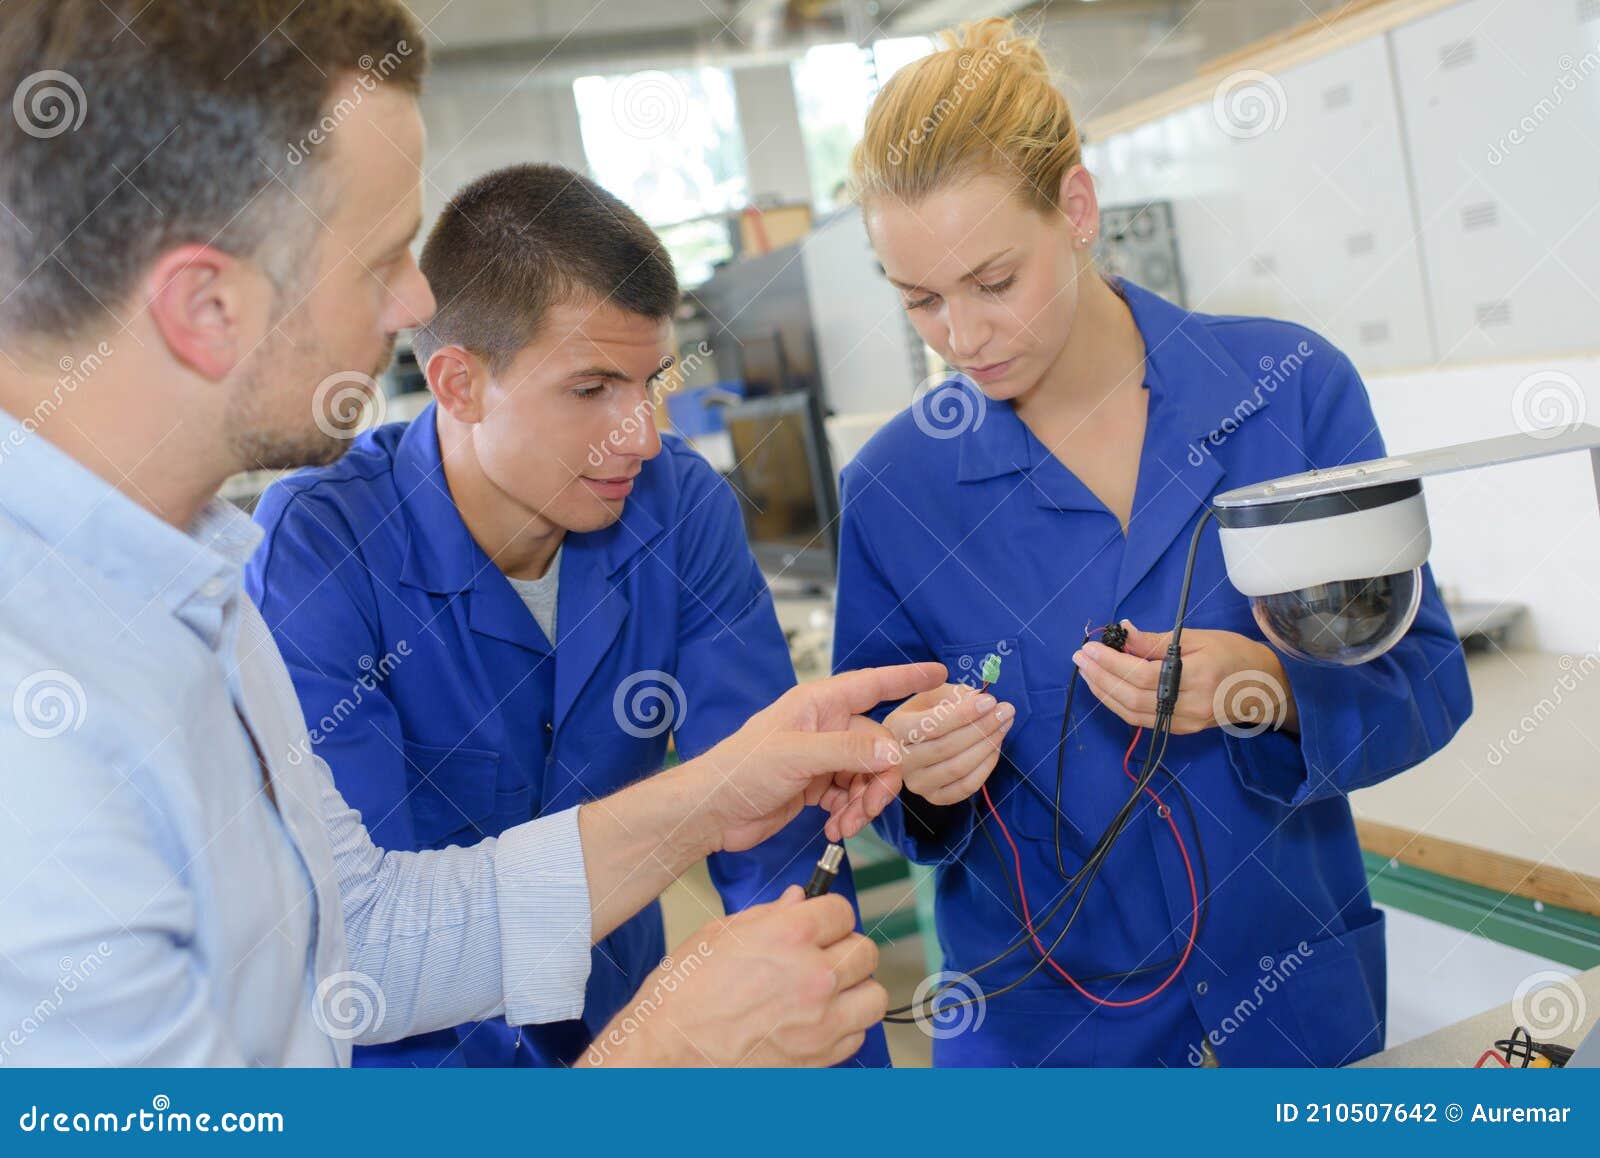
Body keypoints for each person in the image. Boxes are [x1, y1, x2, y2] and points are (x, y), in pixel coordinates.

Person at [0, 0, 931, 1067]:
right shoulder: (38, 718)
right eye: (382, 258)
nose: (414, 300)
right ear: (205, 307)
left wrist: (719, 793)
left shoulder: (196, 585)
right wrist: (665, 1060)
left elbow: (362, 934)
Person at [830, 17, 1474, 1067]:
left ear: (1077, 210)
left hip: (1290, 1015)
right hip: (1047, 1055)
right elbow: (875, 781)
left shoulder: (1287, 393)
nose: (962, 336)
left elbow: (1427, 683)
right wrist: (917, 774)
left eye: (994, 282)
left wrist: (1266, 687)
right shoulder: (897, 491)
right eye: (920, 301)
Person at [241, 163, 971, 1066]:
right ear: (459, 383)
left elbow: (772, 826)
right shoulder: (321, 551)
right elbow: (367, 934)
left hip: (626, 1022)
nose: (643, 436)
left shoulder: (679, 508)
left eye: (650, 382)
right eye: (591, 390)